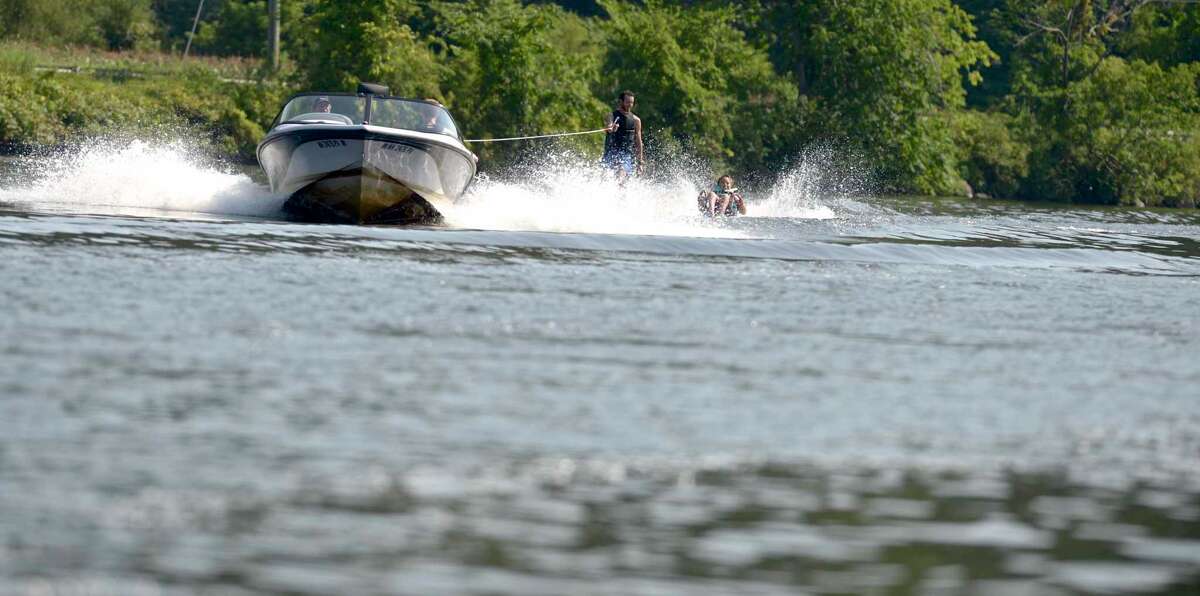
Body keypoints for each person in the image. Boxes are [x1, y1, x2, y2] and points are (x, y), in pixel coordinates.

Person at [602, 90, 644, 181]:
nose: (630, 105)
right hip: (610, 153)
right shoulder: (611, 116)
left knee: (621, 176)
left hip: (626, 155)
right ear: (621, 102)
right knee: (605, 178)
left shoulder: (636, 120)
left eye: (632, 103)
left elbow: (639, 142)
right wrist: (612, 129)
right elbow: (609, 127)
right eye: (627, 102)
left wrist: (640, 162)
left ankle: (621, 194)